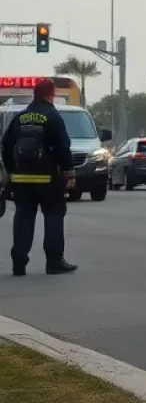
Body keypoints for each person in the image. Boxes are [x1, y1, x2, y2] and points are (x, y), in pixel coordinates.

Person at [0, 79, 77, 276]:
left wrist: (11, 172)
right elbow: (63, 147)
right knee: (53, 215)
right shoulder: (53, 116)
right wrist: (69, 172)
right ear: (49, 95)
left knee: (24, 216)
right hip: (48, 179)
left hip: (21, 180)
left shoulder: (20, 117)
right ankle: (54, 262)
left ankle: (19, 262)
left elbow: (6, 147)